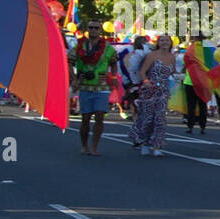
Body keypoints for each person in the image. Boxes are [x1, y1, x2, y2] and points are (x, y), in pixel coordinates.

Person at [69, 22, 119, 156]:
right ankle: (84, 146)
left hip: (101, 86)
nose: (93, 30)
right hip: (84, 85)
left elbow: (114, 62)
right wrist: (74, 78)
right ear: (87, 29)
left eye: (96, 28)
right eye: (90, 27)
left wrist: (113, 77)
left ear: (100, 30)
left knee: (100, 116)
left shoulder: (108, 48)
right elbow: (69, 62)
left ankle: (94, 146)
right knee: (85, 118)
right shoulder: (79, 46)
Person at [128, 35, 177, 156]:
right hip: (150, 91)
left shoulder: (172, 57)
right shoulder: (152, 55)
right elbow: (142, 72)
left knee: (160, 118)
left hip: (163, 91)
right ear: (158, 43)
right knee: (148, 118)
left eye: (167, 40)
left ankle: (156, 147)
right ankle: (144, 143)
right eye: (162, 40)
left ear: (170, 43)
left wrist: (179, 77)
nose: (164, 42)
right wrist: (146, 82)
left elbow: (173, 72)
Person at [182, 40, 209, 135]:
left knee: (191, 106)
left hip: (190, 82)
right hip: (202, 83)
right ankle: (202, 127)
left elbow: (184, 66)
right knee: (202, 106)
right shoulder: (207, 52)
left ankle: (190, 126)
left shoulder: (190, 52)